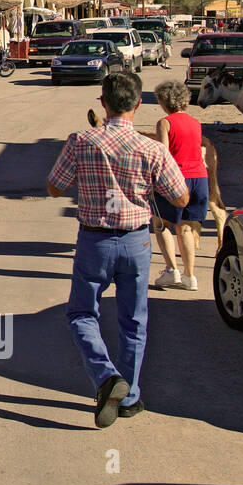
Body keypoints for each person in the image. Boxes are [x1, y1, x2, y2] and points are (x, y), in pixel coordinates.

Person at [46, 72, 189, 428]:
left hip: (94, 240)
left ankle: (106, 377)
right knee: (133, 320)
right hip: (136, 240)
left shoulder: (81, 140)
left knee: (81, 314)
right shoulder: (151, 148)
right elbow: (181, 196)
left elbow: (54, 188)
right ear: (139, 104)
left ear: (103, 103)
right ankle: (130, 397)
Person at [147, 81, 209, 291]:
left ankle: (171, 269)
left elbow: (163, 154)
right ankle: (190, 276)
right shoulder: (195, 122)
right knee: (186, 228)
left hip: (176, 178)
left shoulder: (165, 123)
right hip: (199, 178)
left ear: (165, 101)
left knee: (161, 223)